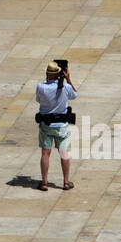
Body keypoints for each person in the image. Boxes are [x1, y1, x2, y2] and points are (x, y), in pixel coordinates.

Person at [35, 61, 77, 191]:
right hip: (61, 126)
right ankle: (65, 182)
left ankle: (44, 182)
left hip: (46, 125)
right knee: (63, 153)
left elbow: (38, 100)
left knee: (45, 154)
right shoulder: (65, 87)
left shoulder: (41, 87)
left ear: (47, 73)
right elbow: (75, 95)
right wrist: (68, 79)